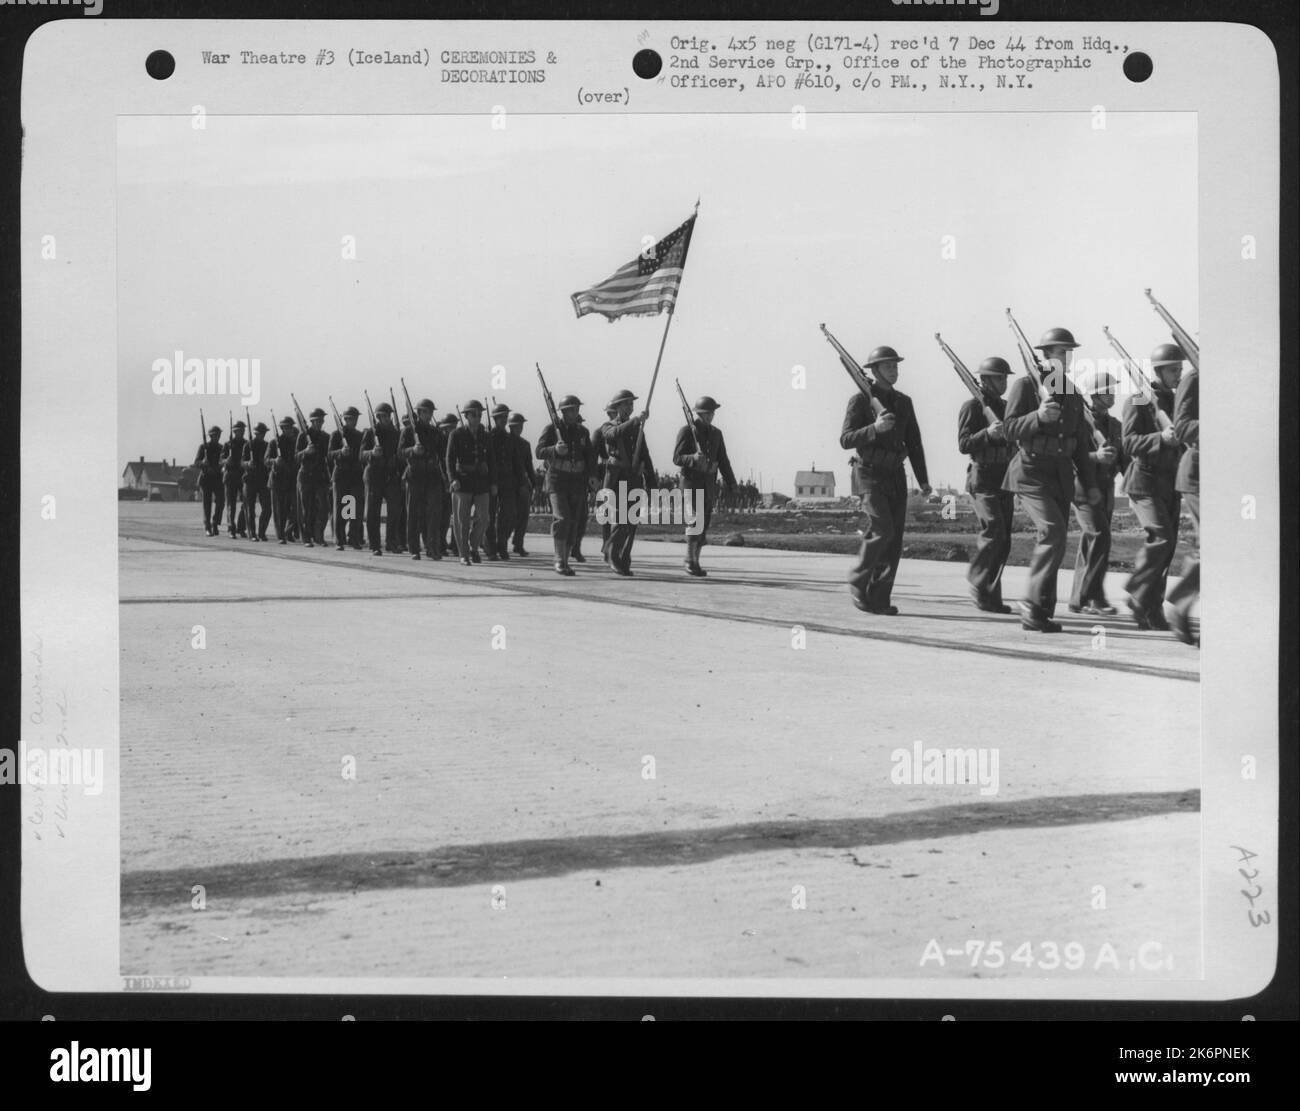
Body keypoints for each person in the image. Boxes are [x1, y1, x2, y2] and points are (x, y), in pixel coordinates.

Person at [1000, 328, 1101, 632]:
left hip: (1060, 476)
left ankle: (1041, 611)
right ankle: (1031, 603)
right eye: (1061, 352)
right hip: (1031, 472)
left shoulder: (1071, 391)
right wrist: (1038, 418)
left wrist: (1090, 482)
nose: (1068, 357)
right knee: (1052, 530)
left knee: (1056, 541)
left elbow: (1080, 443)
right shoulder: (1026, 385)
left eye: (1070, 352)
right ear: (1046, 355)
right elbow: (1008, 428)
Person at [838, 345, 931, 614]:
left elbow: (914, 443)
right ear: (874, 371)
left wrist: (923, 479)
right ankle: (858, 580)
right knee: (883, 529)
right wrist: (874, 429)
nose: (894, 370)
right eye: (888, 366)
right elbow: (845, 439)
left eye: (896, 365)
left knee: (894, 539)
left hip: (895, 475)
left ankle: (879, 598)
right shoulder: (860, 401)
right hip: (868, 473)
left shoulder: (904, 402)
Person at [1122, 344, 1184, 630]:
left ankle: (1151, 608)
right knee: (1161, 539)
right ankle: (1137, 593)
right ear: (1159, 371)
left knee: (1167, 549)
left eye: (1180, 369)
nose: (1179, 374)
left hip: (1171, 483)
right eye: (1174, 369)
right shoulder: (1139, 398)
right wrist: (1160, 437)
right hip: (1144, 480)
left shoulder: (1178, 400)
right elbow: (1129, 442)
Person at [957, 357, 1016, 613]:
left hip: (1004, 478)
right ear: (984, 380)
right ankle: (978, 582)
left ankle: (990, 595)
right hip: (982, 478)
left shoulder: (1007, 407)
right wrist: (987, 434)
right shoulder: (972, 406)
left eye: (1005, 378)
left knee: (1003, 540)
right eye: (999, 378)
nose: (1004, 383)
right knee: (994, 531)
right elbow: (964, 444)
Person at [1068, 370, 1126, 616]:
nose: (1112, 395)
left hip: (1106, 488)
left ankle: (1077, 599)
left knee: (1091, 541)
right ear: (1094, 395)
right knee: (1100, 536)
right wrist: (1095, 457)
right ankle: (1094, 597)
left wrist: (1130, 481)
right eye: (1107, 391)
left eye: (1113, 390)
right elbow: (1069, 455)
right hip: (1083, 486)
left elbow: (1123, 459)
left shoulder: (1115, 425)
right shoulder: (1077, 421)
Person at [672, 395, 737, 577]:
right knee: (694, 522)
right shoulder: (687, 431)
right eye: (706, 413)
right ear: (699, 414)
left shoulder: (716, 434)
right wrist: (692, 458)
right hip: (691, 484)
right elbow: (677, 457)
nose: (710, 416)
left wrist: (731, 482)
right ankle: (689, 560)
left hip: (708, 485)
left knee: (704, 524)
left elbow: (723, 461)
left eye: (712, 413)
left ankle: (696, 561)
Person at [536, 395, 597, 576]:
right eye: (571, 409)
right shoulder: (552, 429)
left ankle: (566, 560)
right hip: (557, 480)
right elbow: (539, 451)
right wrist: (554, 450)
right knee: (562, 518)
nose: (575, 412)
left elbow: (590, 457)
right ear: (563, 411)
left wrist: (593, 475)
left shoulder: (583, 432)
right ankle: (559, 560)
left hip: (577, 481)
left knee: (574, 522)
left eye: (577, 408)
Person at [599, 389, 654, 577]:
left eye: (632, 404)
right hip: (617, 479)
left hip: (634, 479)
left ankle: (623, 557)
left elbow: (645, 456)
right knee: (621, 520)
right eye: (626, 404)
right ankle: (613, 555)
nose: (630, 407)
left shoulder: (638, 430)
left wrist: (652, 483)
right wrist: (636, 420)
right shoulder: (608, 425)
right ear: (618, 407)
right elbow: (612, 435)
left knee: (632, 523)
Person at [1166, 363, 1199, 646]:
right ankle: (1179, 605)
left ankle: (1180, 604)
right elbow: (1184, 427)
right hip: (1198, 475)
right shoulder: (1195, 377)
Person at [447, 400, 495, 565]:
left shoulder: (486, 436)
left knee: (484, 518)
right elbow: (450, 459)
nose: (477, 417)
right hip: (462, 481)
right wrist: (453, 479)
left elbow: (492, 460)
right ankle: (464, 554)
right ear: (466, 416)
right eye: (473, 414)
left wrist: (493, 482)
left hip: (481, 482)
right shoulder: (457, 434)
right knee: (462, 520)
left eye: (479, 414)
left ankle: (474, 546)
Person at [399, 398, 446, 560]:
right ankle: (414, 548)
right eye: (426, 412)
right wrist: (413, 450)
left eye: (431, 412)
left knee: (434, 514)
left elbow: (442, 454)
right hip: (415, 475)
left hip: (432, 476)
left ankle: (432, 547)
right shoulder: (408, 431)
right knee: (413, 513)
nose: (429, 415)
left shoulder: (435, 432)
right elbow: (400, 452)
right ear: (419, 413)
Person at [360, 402, 402, 556]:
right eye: (383, 416)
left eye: (388, 415)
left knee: (395, 509)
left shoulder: (395, 433)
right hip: (374, 475)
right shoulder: (371, 432)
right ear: (377, 417)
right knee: (373, 511)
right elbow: (361, 455)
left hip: (390, 475)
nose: (386, 418)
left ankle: (391, 542)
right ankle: (375, 544)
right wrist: (371, 453)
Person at [328, 406, 365, 551]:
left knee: (352, 508)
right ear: (345, 419)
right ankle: (339, 539)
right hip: (341, 475)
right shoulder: (337, 435)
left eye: (355, 418)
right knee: (340, 508)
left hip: (355, 475)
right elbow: (329, 455)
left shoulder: (359, 435)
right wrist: (341, 452)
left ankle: (353, 538)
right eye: (351, 419)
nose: (354, 421)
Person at [295, 408, 331, 549]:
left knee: (324, 507)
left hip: (320, 476)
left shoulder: (325, 437)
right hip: (305, 476)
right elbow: (296, 457)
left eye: (322, 420)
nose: (320, 423)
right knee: (306, 508)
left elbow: (327, 458)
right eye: (318, 421)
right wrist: (306, 451)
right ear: (312, 421)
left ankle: (319, 535)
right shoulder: (303, 436)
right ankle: (306, 537)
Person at [484, 403, 514, 561]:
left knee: (508, 515)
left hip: (507, 481)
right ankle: (490, 548)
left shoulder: (510, 438)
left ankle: (502, 544)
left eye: (505, 416)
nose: (504, 419)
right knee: (490, 516)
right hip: (492, 481)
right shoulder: (489, 437)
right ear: (495, 419)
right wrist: (491, 482)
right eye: (501, 417)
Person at [267, 416, 299, 544]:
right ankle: (281, 535)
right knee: (279, 510)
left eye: (291, 427)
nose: (290, 429)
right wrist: (275, 461)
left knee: (296, 508)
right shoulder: (274, 443)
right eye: (287, 427)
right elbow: (266, 460)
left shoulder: (295, 442)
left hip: (291, 479)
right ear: (282, 429)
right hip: (277, 480)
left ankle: (288, 531)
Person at [507, 412, 534, 556]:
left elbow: (529, 466)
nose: (520, 428)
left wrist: (533, 484)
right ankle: (502, 543)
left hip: (522, 484)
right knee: (509, 515)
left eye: (521, 425)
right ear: (510, 426)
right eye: (517, 426)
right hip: (508, 483)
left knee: (523, 515)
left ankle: (518, 543)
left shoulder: (525, 444)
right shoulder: (505, 441)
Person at [241, 422, 272, 541]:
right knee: (250, 508)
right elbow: (242, 462)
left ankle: (261, 532)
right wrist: (248, 463)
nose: (262, 435)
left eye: (263, 433)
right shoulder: (248, 445)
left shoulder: (267, 445)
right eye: (260, 433)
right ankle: (252, 533)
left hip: (263, 480)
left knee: (267, 508)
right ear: (255, 433)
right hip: (250, 480)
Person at [194, 424, 225, 536]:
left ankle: (215, 523)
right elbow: (196, 462)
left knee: (221, 502)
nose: (217, 437)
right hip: (206, 478)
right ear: (211, 436)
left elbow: (223, 461)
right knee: (207, 504)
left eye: (219, 435)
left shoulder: (222, 448)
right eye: (215, 435)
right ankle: (208, 526)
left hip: (217, 478)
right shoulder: (203, 447)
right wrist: (203, 463)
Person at [437, 413, 460, 556]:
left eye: (454, 427)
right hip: (443, 482)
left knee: (456, 516)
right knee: (443, 517)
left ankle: (455, 544)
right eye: (449, 428)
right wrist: (447, 480)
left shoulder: (458, 440)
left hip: (456, 482)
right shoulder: (440, 442)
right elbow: (441, 462)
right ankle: (441, 544)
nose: (451, 430)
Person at [220, 420, 248, 538]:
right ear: (235, 432)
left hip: (242, 476)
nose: (241, 432)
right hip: (231, 476)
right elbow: (221, 461)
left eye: (243, 430)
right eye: (239, 430)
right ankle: (232, 528)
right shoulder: (227, 445)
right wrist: (227, 460)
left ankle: (241, 528)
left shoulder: (247, 444)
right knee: (231, 504)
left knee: (246, 503)